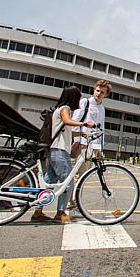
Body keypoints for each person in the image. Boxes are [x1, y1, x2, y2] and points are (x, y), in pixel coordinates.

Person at [33, 86, 94, 223]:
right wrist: (85, 124)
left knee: (48, 183)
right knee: (67, 183)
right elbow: (67, 121)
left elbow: (66, 130)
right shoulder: (65, 109)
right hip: (60, 151)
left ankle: (38, 212)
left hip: (53, 151)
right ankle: (60, 213)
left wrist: (81, 133)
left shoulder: (57, 110)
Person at [69, 80, 111, 209]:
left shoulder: (102, 108)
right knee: (76, 173)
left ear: (106, 95)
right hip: (82, 143)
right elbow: (75, 122)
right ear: (94, 90)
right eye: (97, 90)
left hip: (93, 145)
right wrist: (78, 141)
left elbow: (101, 129)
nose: (99, 94)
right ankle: (70, 201)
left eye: (102, 92)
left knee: (83, 175)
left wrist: (100, 149)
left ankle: (74, 200)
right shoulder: (85, 102)